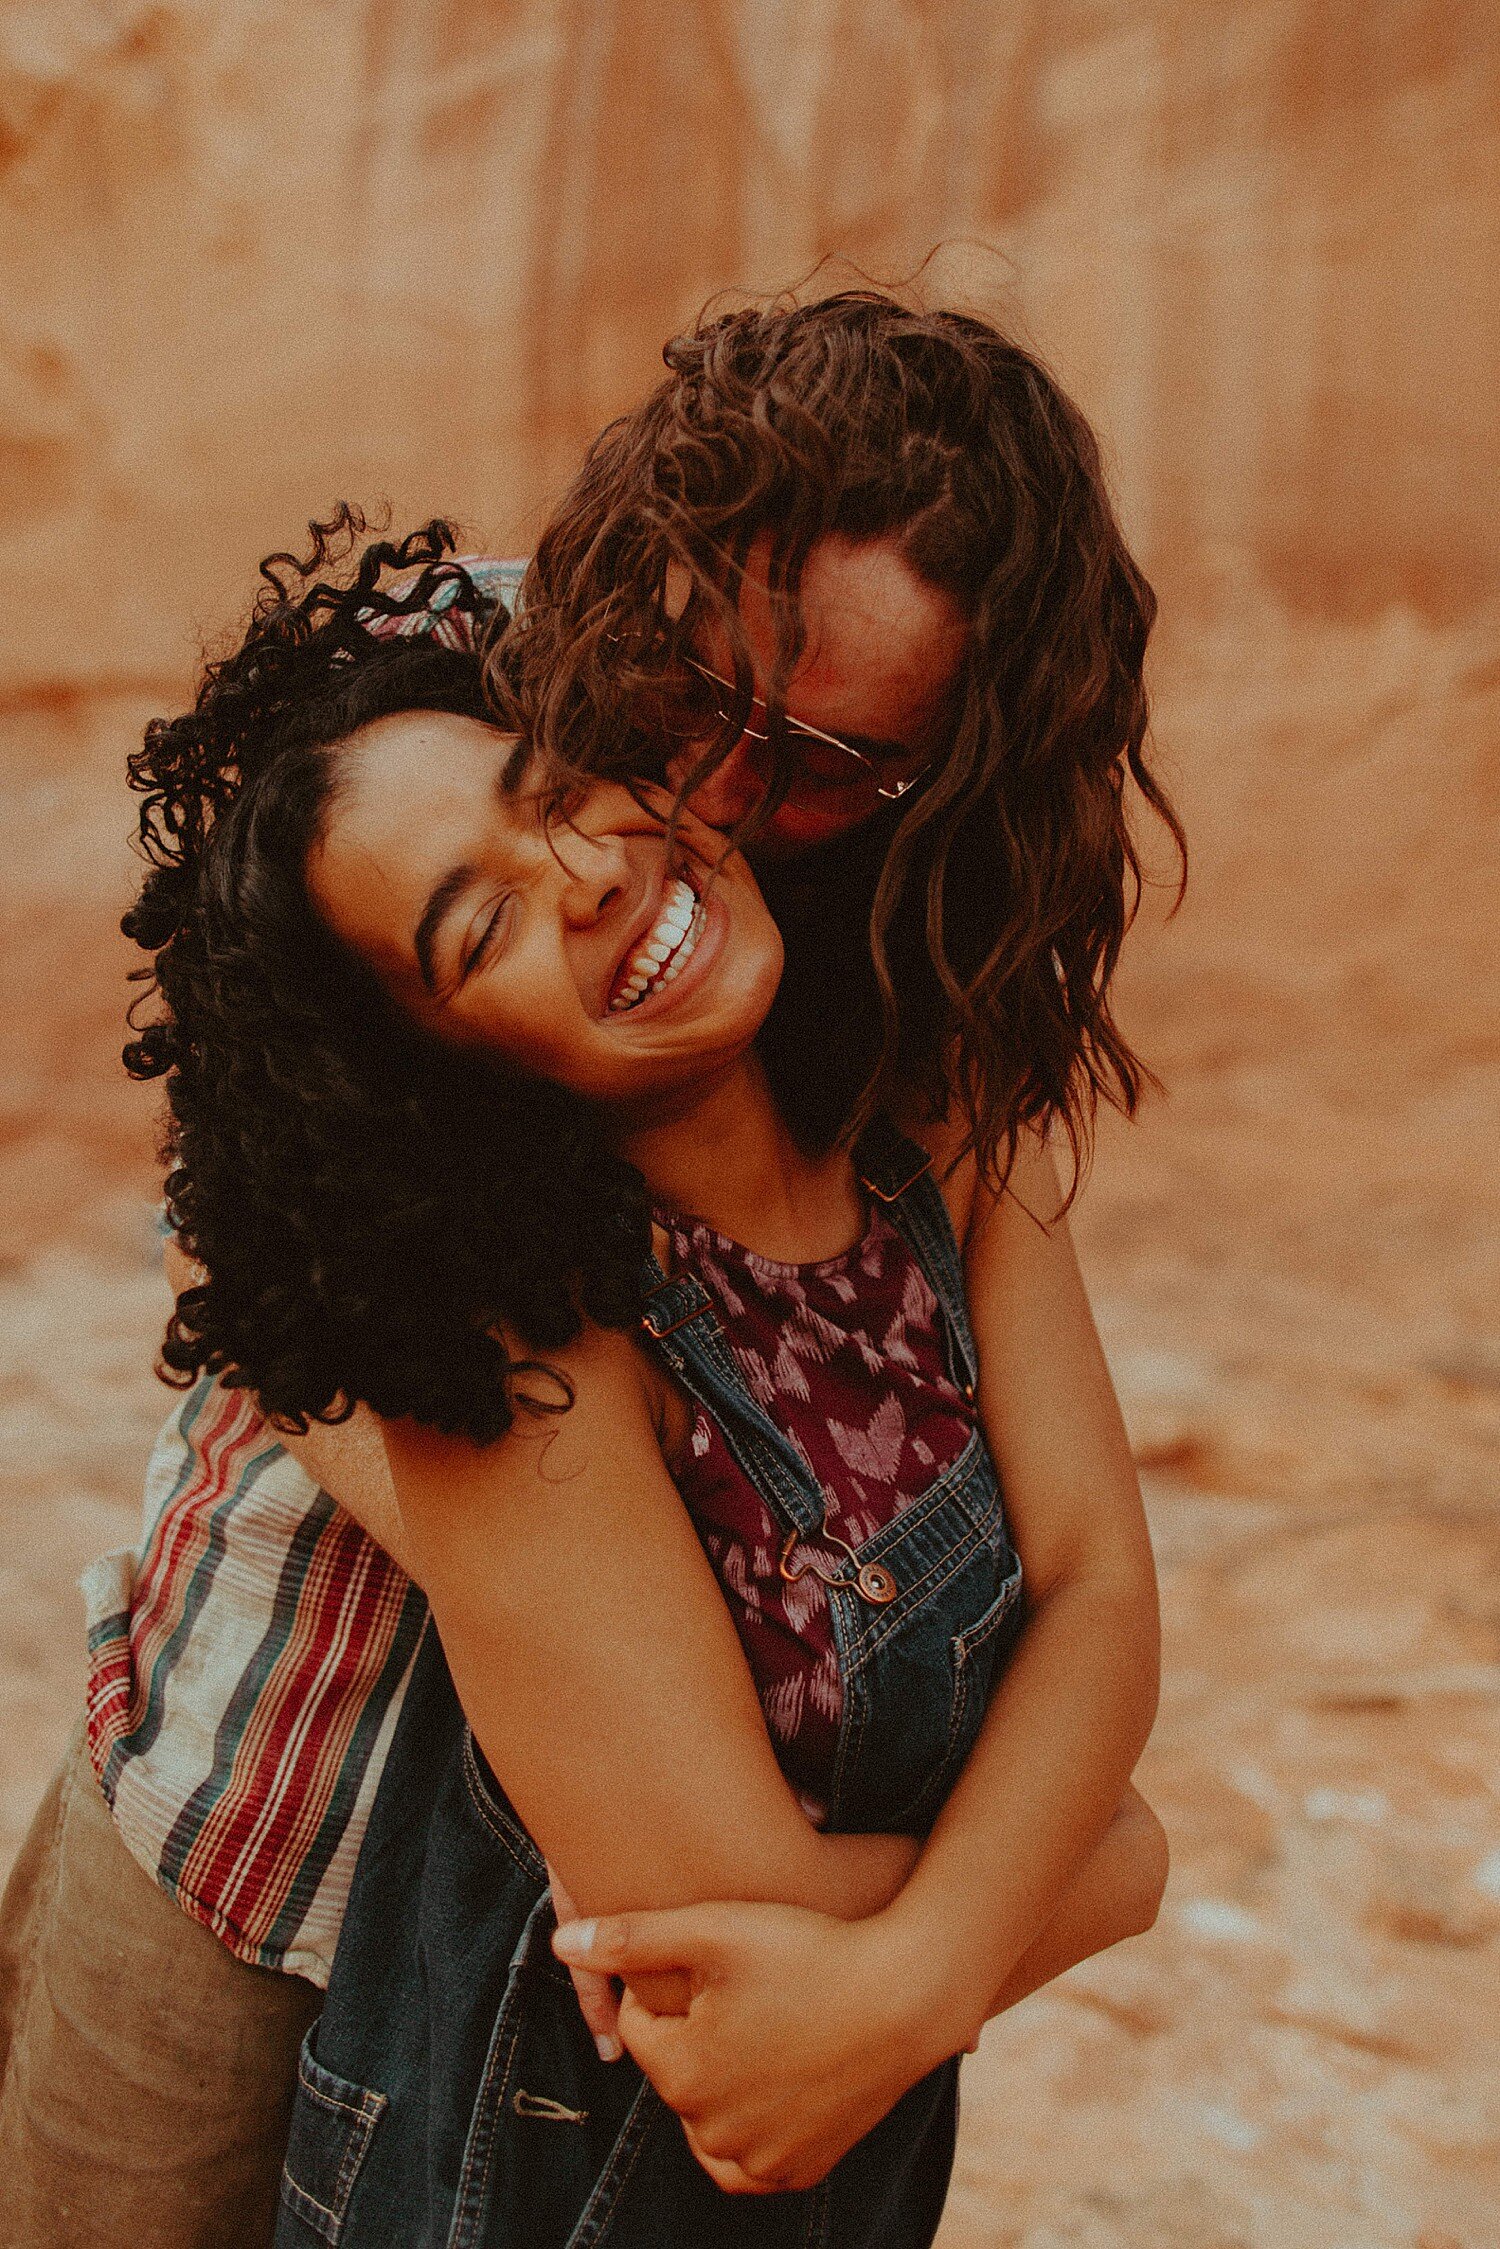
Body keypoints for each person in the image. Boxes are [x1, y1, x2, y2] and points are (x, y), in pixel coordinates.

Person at [0, 289, 1179, 2244]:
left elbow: (1082, 1563)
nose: (720, 786)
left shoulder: (887, 964)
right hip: (276, 1777)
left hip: (647, 1933)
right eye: (703, 689)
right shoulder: (436, 696)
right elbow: (271, 1194)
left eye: (822, 754)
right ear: (650, 572)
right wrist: (568, 1596)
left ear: (941, 766)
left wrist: (925, 1944)